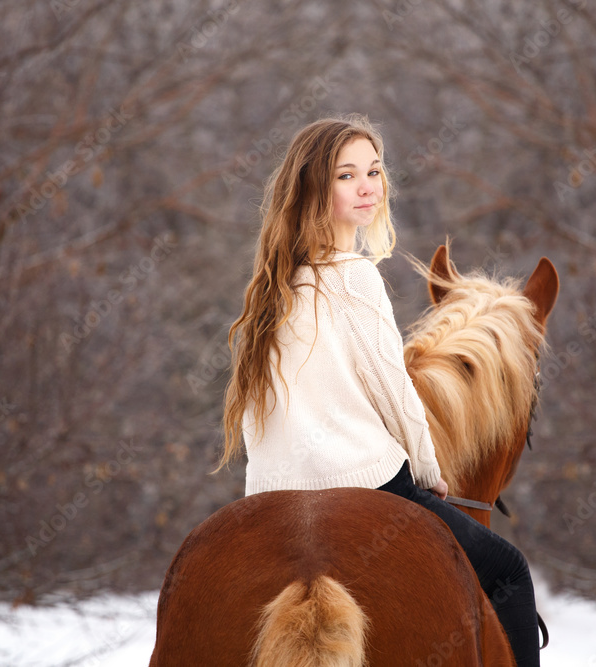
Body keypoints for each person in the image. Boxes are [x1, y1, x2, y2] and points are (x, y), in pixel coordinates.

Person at [217, 113, 541, 665]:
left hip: (271, 494)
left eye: (374, 170)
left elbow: (256, 418)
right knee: (509, 570)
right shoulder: (356, 276)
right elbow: (396, 395)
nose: (367, 186)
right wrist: (430, 474)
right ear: (315, 188)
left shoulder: (271, 289)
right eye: (346, 176)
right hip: (371, 484)